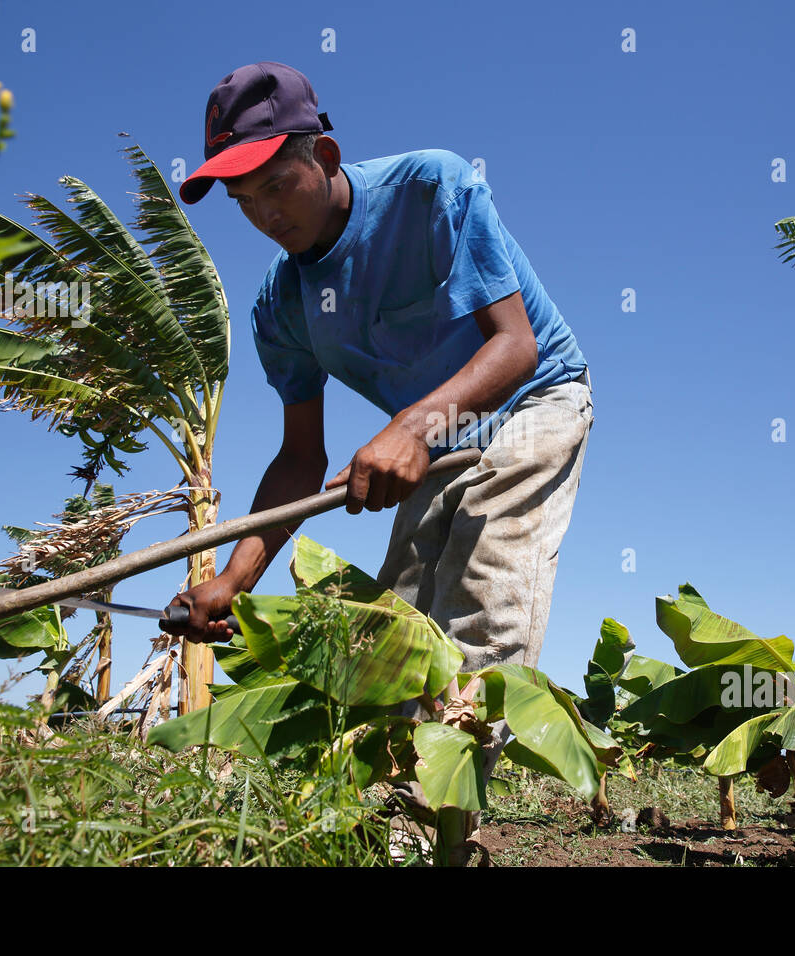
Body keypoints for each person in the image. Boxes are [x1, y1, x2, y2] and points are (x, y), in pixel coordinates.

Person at [167, 60, 593, 858]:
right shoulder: (280, 304)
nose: (262, 214)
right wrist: (229, 580)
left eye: (274, 185)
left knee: (481, 602)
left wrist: (410, 426)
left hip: (533, 400)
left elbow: (515, 347)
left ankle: (440, 835)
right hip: (435, 438)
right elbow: (300, 459)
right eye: (243, 201)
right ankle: (391, 821)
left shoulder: (432, 189)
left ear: (323, 158)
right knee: (398, 627)